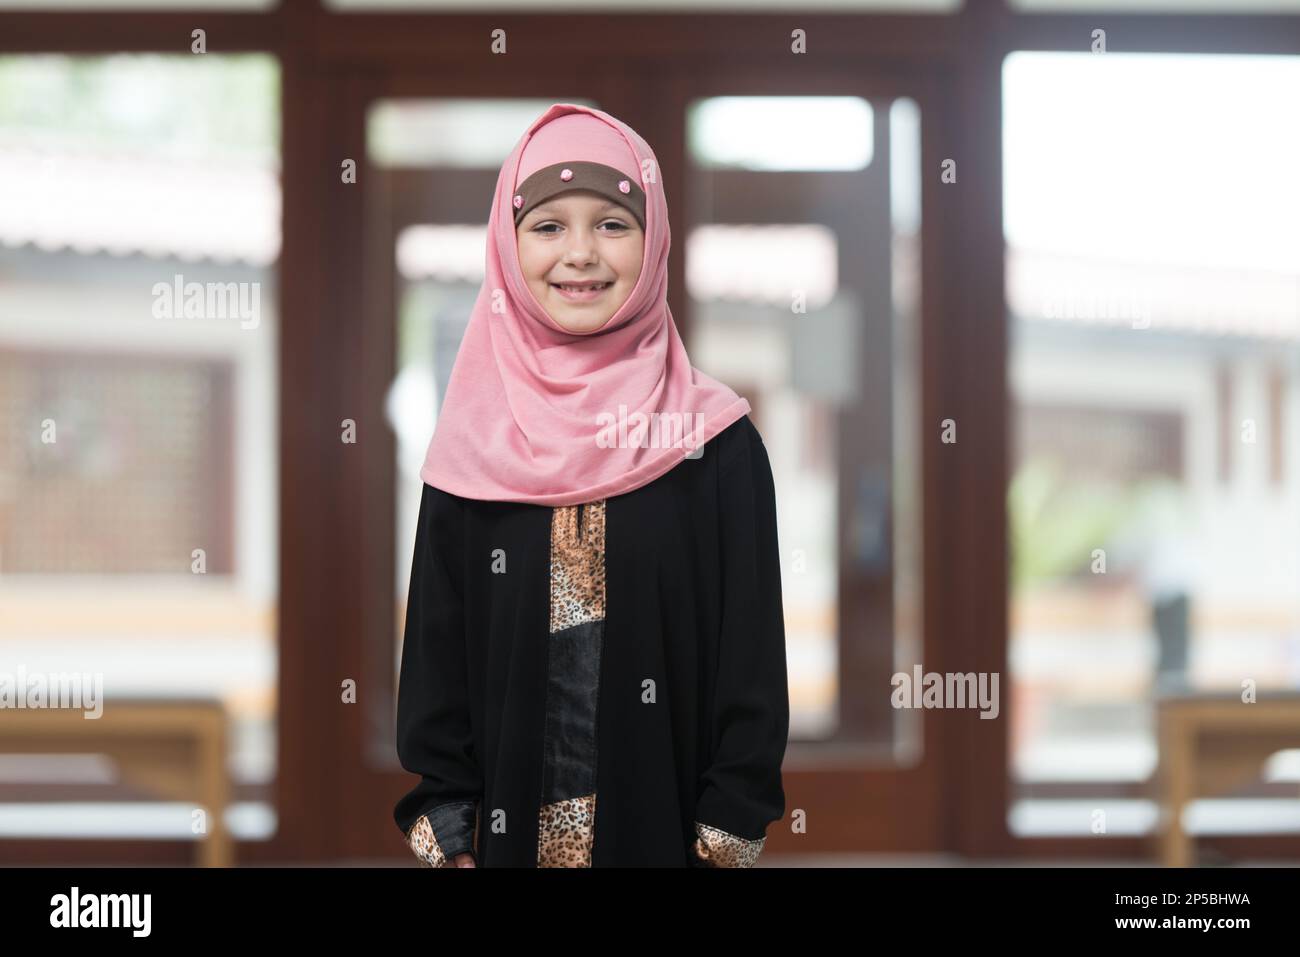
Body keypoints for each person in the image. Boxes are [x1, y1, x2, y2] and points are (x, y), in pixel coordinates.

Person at [392, 103, 789, 868]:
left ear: (654, 240)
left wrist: (726, 831)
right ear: (507, 250)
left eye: (613, 223)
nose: (580, 253)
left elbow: (751, 663)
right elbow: (438, 662)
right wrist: (448, 826)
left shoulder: (715, 443)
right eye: (547, 227)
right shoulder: (472, 446)